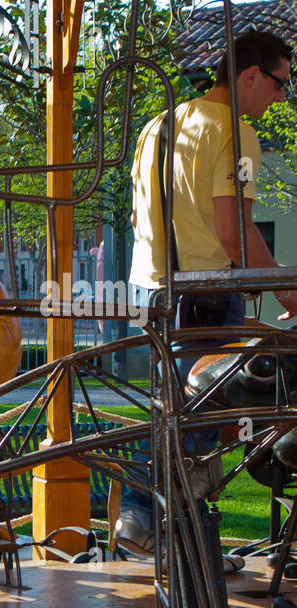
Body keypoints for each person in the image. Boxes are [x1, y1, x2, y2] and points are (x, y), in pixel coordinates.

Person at [116, 28, 297, 553]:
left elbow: (135, 216)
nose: (282, 95)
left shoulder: (159, 126)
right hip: (205, 291)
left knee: (170, 410)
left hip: (151, 291)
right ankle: (153, 520)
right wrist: (285, 291)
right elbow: (232, 231)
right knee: (208, 415)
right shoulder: (236, 134)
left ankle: (157, 525)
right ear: (249, 75)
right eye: (281, 82)